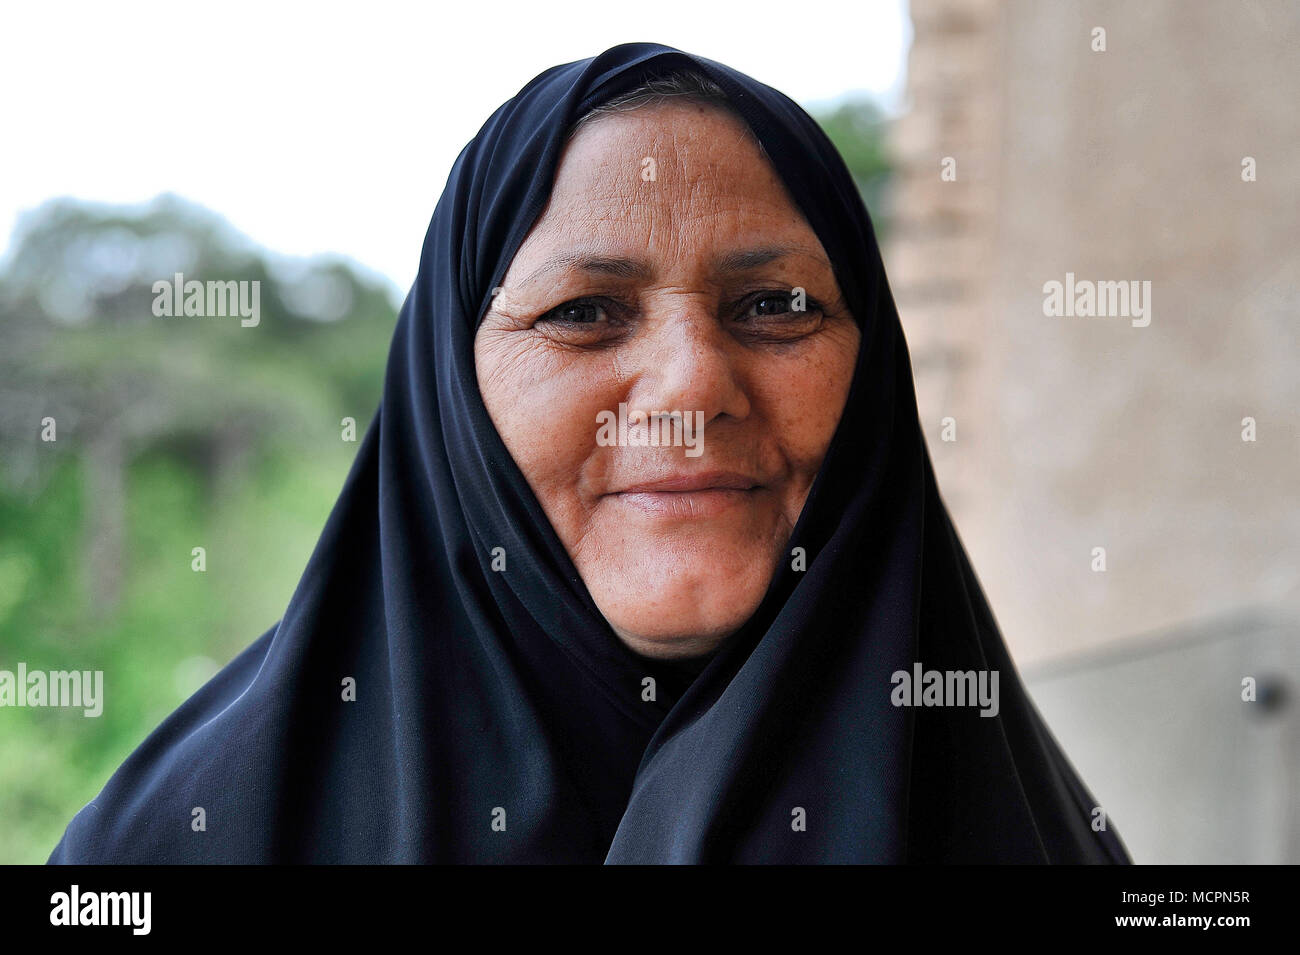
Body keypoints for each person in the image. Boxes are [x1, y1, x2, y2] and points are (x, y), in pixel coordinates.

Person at [49, 42, 1131, 864]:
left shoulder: (1021, 826)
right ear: (452, 394)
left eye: (774, 305)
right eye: (583, 313)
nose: (692, 384)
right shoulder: (176, 847)